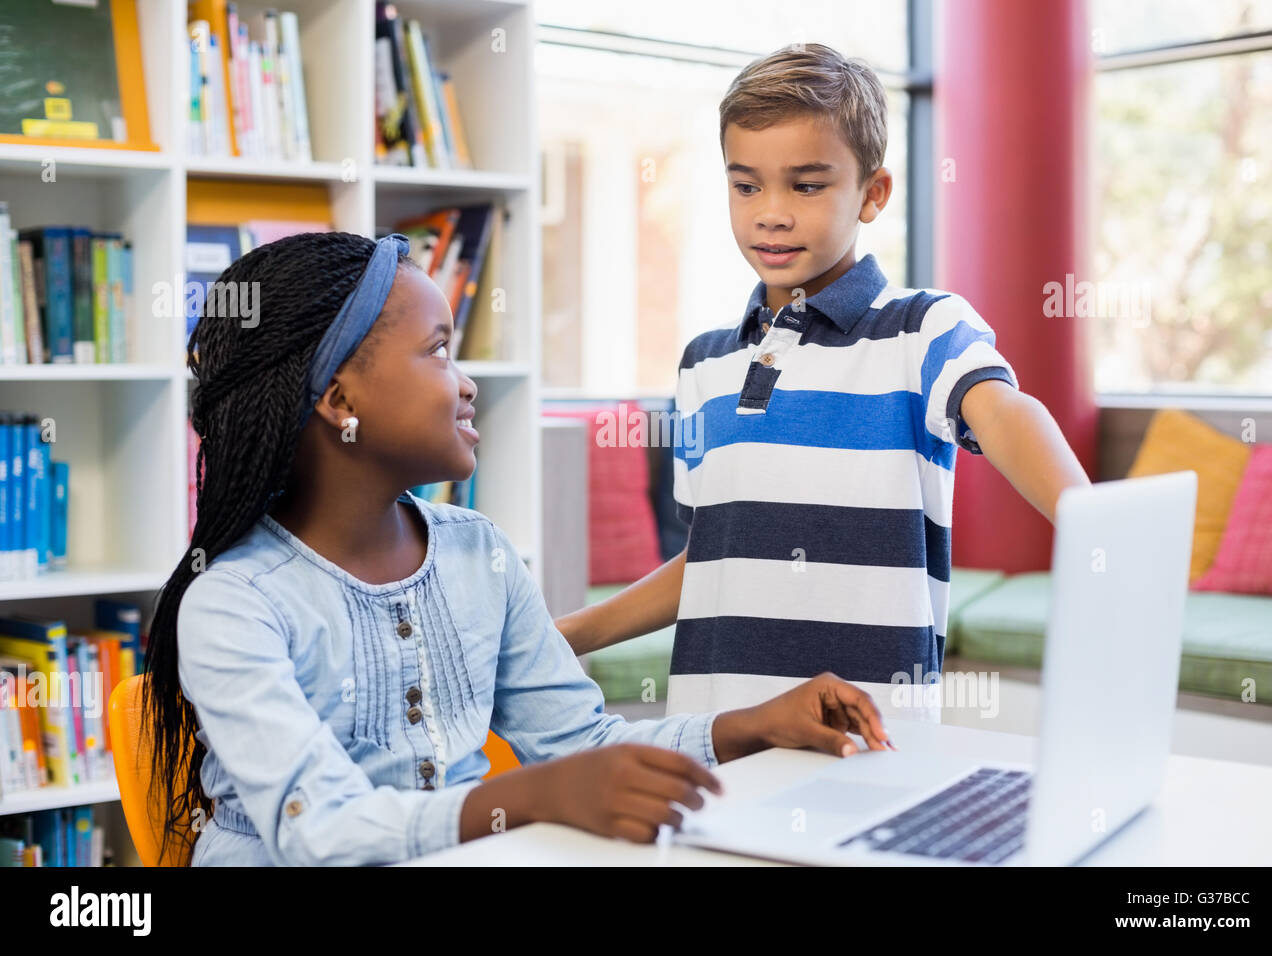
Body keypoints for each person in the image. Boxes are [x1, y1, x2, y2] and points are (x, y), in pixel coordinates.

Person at [142, 230, 894, 867]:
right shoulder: (235, 604)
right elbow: (321, 831)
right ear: (340, 402)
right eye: (438, 352)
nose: (466, 384)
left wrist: (750, 725)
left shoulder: (480, 556)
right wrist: (526, 798)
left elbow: (581, 742)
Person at [554, 43, 1091, 718]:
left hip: (871, 738)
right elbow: (712, 559)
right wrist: (573, 632)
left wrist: (1090, 524)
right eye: (746, 185)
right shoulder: (703, 365)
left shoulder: (921, 329)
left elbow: (1004, 413)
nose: (770, 212)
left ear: (873, 194)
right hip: (718, 740)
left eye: (806, 185)